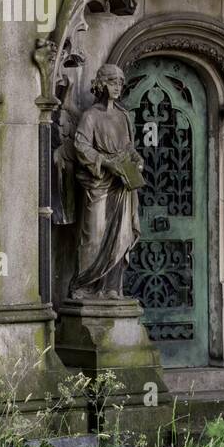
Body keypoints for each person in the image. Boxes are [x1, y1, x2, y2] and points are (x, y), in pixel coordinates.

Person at [72, 64, 145, 298]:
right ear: (101, 84)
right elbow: (81, 145)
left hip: (122, 184)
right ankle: (86, 285)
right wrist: (105, 163)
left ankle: (112, 287)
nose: (117, 87)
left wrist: (137, 159)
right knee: (94, 236)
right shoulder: (90, 116)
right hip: (100, 183)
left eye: (120, 83)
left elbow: (129, 147)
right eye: (113, 82)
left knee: (121, 237)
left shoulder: (123, 116)